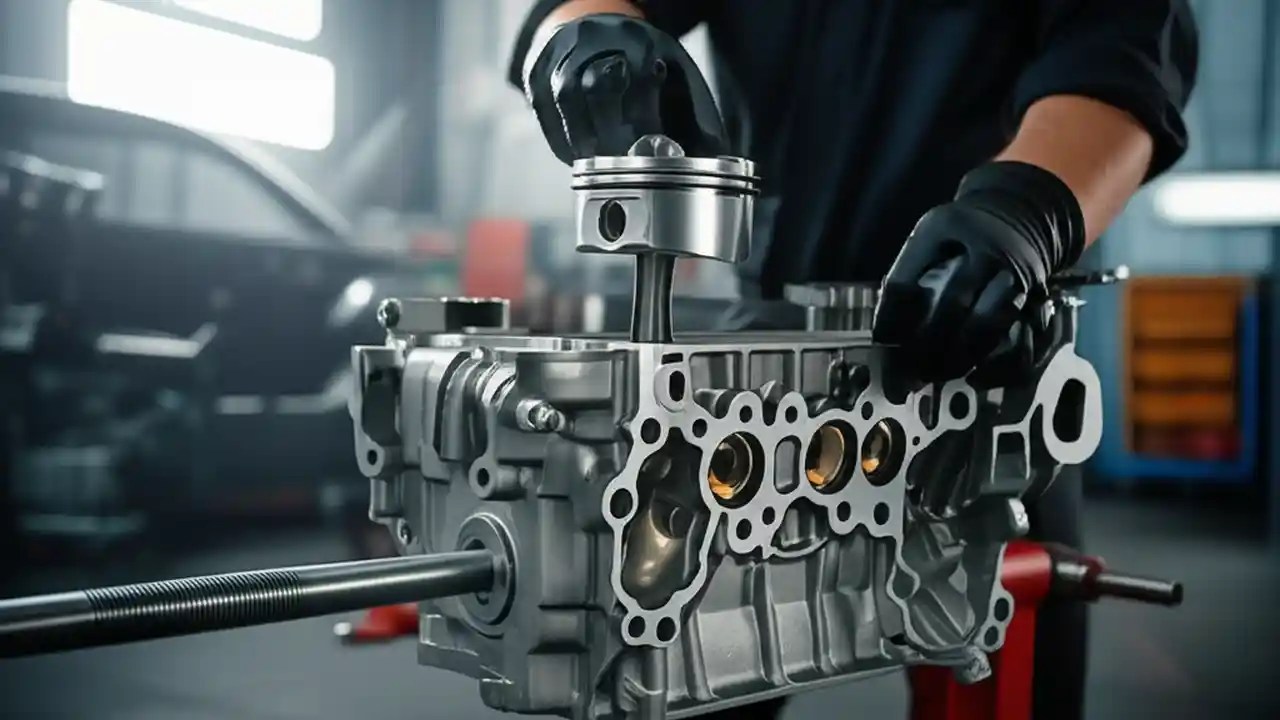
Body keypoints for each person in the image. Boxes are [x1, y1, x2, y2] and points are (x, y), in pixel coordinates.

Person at [508, 2, 1197, 718]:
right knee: (660, 671)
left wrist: (1024, 207)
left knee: (1007, 664)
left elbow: (1120, 53)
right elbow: (577, 10)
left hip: (980, 362)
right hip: (763, 373)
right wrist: (579, 43)